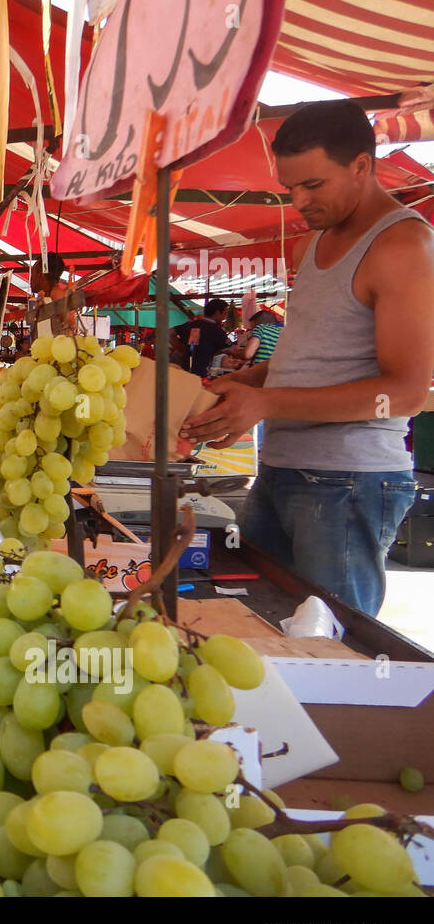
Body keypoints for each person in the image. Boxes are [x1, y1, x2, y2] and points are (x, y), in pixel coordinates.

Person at [182, 99, 434, 616]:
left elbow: (407, 393)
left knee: (331, 645)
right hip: (280, 468)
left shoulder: (403, 245)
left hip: (347, 483)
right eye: (290, 186)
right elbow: (307, 355)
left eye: (313, 185)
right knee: (262, 620)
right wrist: (243, 387)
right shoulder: (313, 243)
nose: (297, 200)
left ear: (362, 166)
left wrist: (268, 402)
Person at [176, 299, 232, 377]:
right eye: (224, 314)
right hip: (202, 372)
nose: (224, 317)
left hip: (186, 369)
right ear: (217, 312)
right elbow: (231, 349)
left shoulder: (191, 325)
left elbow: (187, 345)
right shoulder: (216, 330)